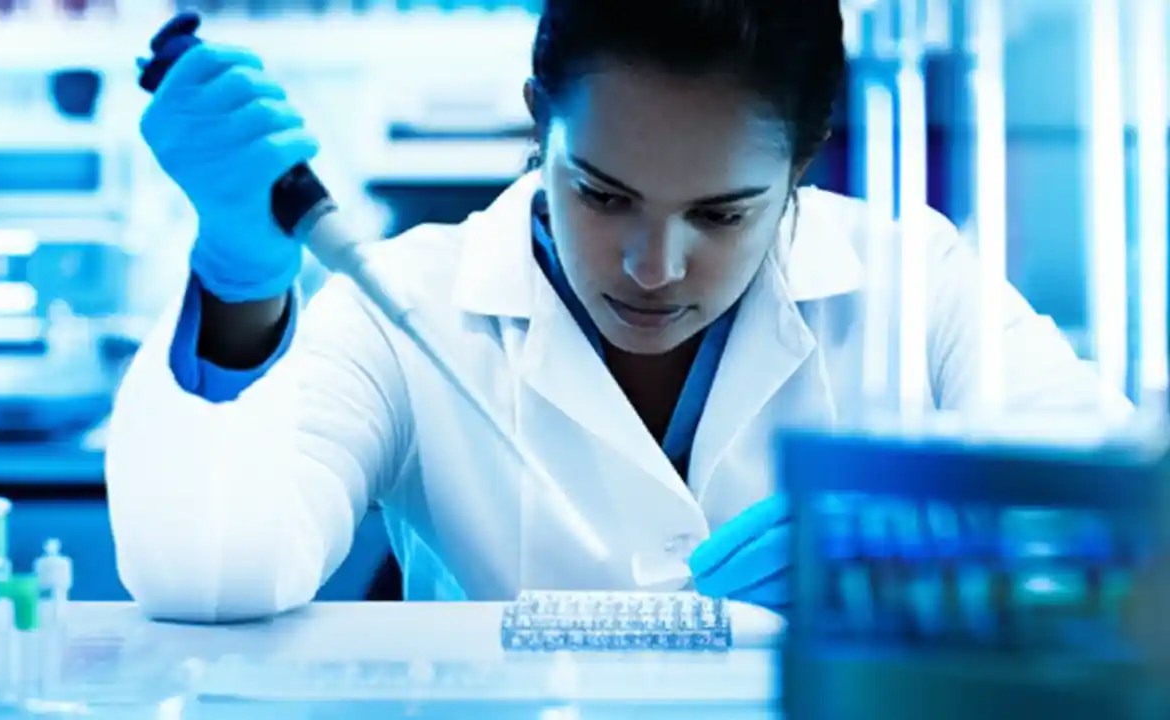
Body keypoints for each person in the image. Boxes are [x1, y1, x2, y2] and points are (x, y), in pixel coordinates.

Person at [106, 0, 1127, 622]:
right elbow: (211, 579)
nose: (650, 266)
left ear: (803, 160)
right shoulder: (403, 305)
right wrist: (242, 275)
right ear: (536, 123)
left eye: (721, 213)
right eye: (600, 194)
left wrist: (893, 550)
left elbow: (1128, 533)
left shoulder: (912, 282)